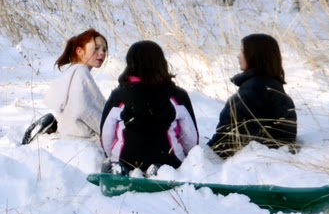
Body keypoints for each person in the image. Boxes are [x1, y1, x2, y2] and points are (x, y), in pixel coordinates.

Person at [99, 40, 200, 173]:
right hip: (170, 160)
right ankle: (159, 170)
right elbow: (190, 138)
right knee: (167, 164)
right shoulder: (176, 96)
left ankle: (119, 169)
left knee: (115, 162)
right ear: (161, 63)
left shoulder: (118, 96)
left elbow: (106, 135)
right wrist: (188, 154)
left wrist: (110, 154)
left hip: (125, 158)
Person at [206, 33, 298, 158]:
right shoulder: (269, 84)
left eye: (243, 51)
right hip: (266, 160)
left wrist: (208, 156)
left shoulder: (255, 89)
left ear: (255, 56)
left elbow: (229, 136)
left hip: (248, 164)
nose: (238, 56)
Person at [24, 29, 110, 143]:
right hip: (81, 139)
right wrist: (109, 129)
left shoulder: (72, 72)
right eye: (96, 48)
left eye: (104, 49)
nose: (102, 53)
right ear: (80, 51)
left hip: (68, 136)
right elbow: (85, 109)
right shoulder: (81, 72)